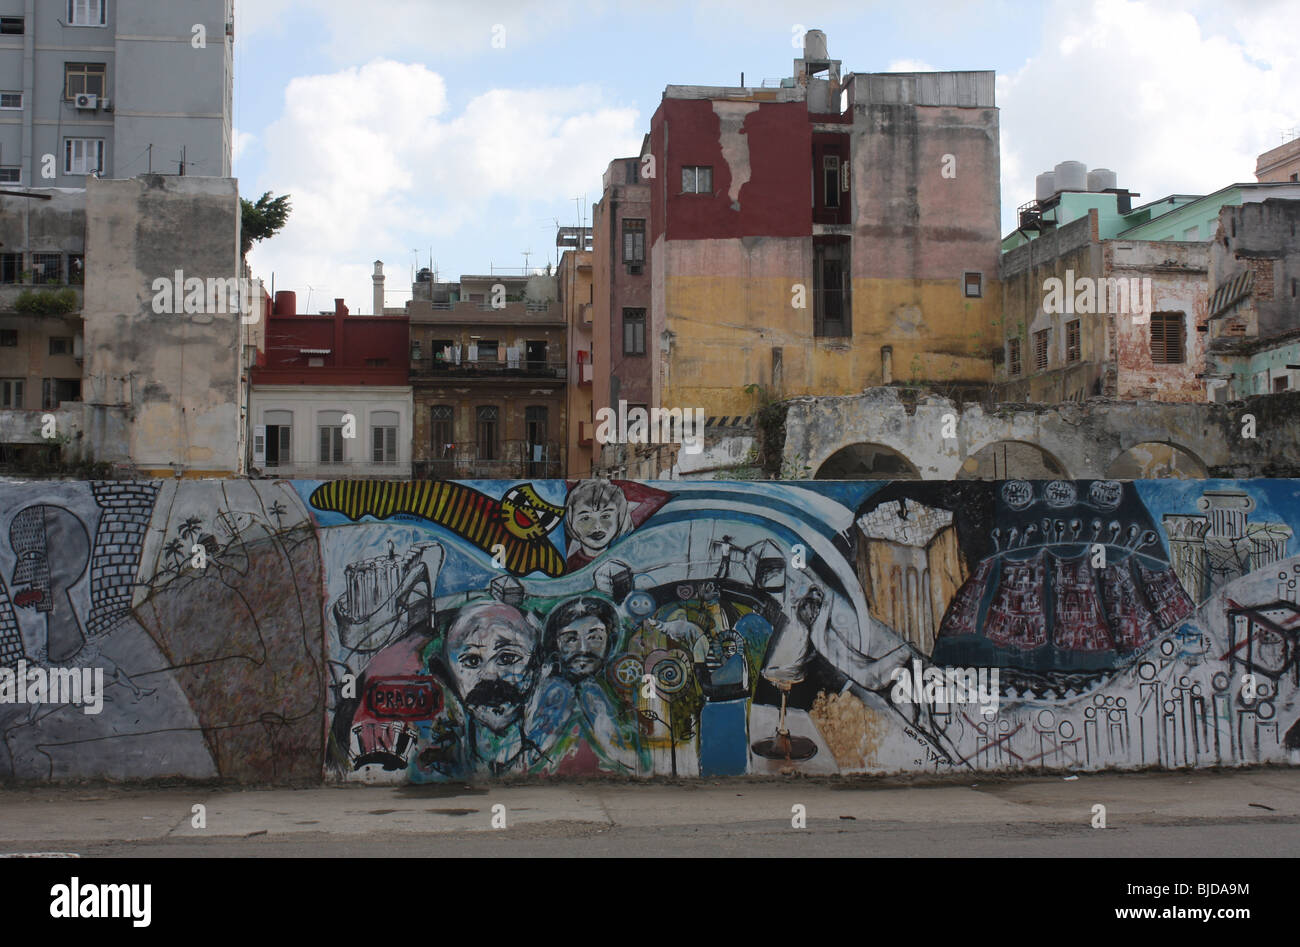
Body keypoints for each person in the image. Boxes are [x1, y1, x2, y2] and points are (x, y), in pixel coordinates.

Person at [527, 595, 641, 774]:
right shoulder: (550, 694)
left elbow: (631, 758)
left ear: (609, 642)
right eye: (571, 639)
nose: (583, 649)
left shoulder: (614, 694)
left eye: (595, 637)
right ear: (555, 645)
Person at [441, 600, 546, 775]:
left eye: (507, 659)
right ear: (450, 674)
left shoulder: (554, 751)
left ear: (537, 667)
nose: (490, 674)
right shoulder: (442, 759)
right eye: (472, 661)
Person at [565, 480, 632, 568]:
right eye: (586, 518)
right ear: (571, 519)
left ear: (620, 517)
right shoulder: (566, 568)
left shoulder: (629, 560)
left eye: (605, 516)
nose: (597, 526)